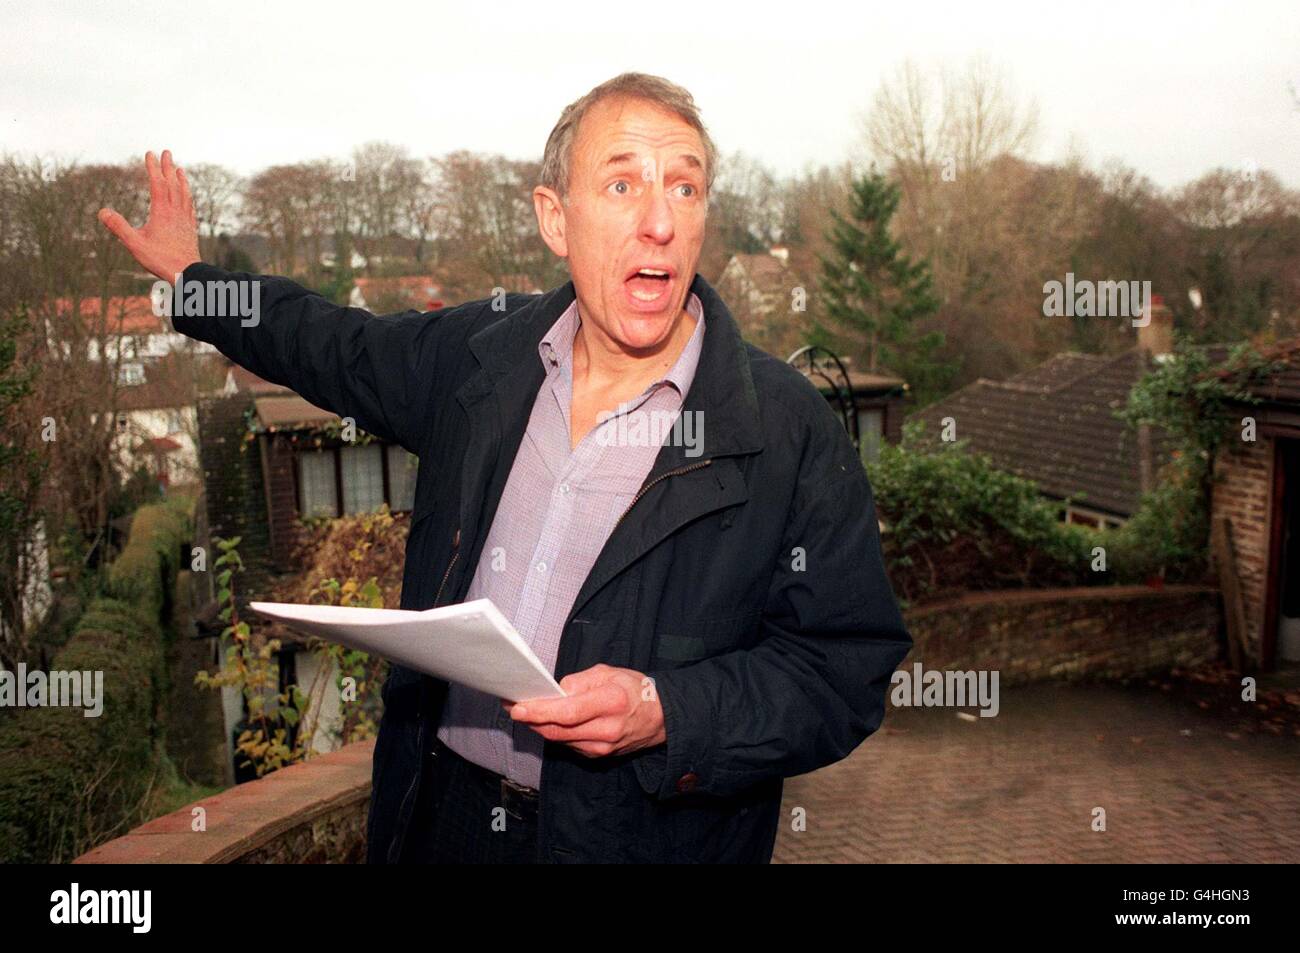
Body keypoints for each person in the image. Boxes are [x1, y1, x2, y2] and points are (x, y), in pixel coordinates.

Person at [98, 72, 912, 864]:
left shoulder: (785, 427)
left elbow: (844, 666)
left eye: (685, 188)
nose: (660, 220)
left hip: (639, 837)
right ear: (556, 218)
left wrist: (668, 710)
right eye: (623, 185)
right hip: (436, 814)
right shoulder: (478, 359)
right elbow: (331, 344)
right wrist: (193, 284)